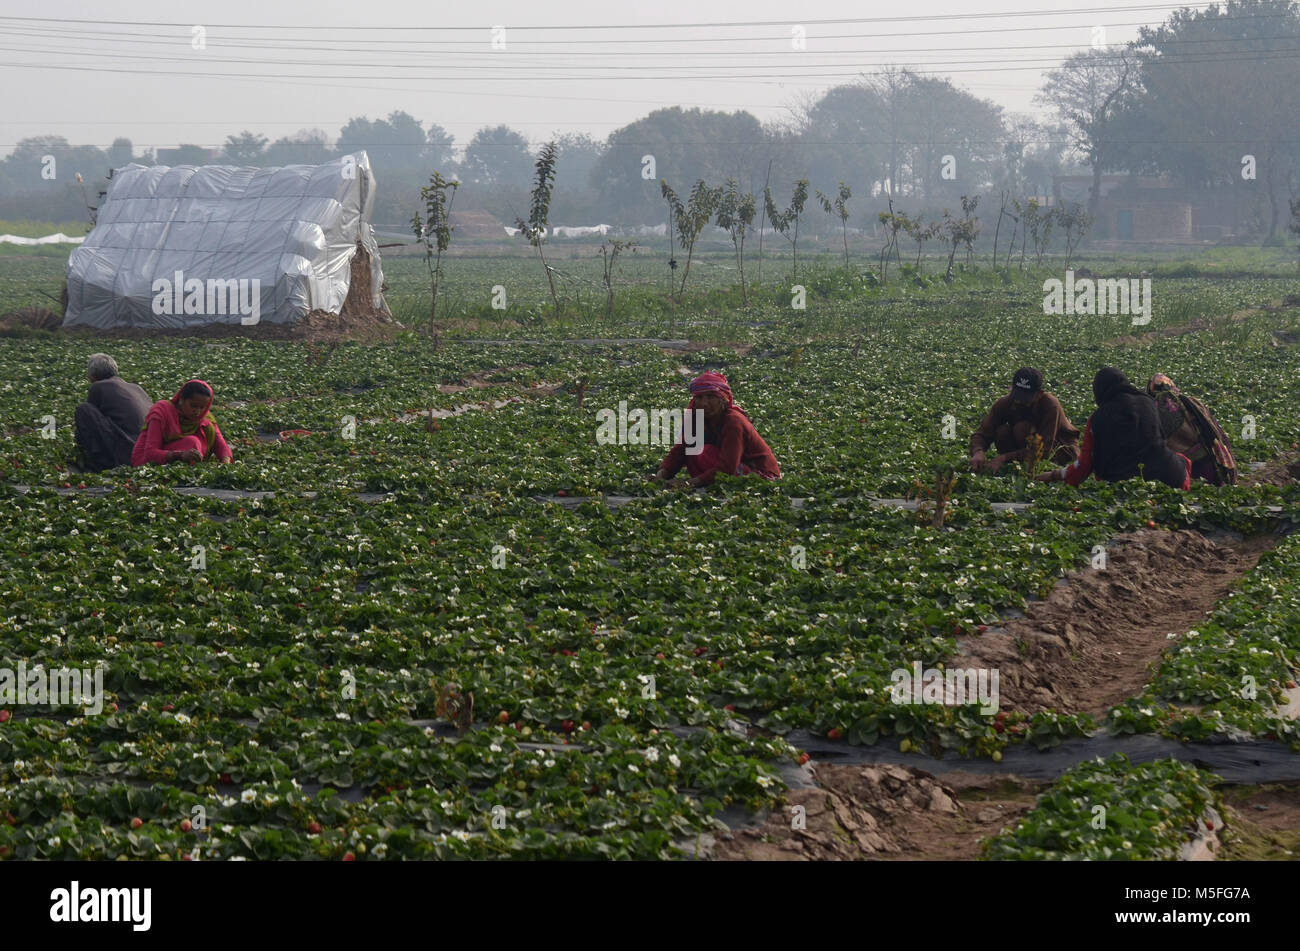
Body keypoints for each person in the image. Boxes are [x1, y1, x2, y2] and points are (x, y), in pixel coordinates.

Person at [1036, 366, 1190, 489]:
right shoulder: (1148, 403)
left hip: (1122, 487)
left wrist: (1055, 475)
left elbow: (1083, 466)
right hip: (1172, 478)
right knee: (1179, 460)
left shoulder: (1097, 419)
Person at [649, 371, 780, 487]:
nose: (704, 403)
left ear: (722, 399)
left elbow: (728, 467)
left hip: (761, 476)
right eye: (699, 398)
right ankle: (705, 482)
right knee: (692, 451)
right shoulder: (697, 419)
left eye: (711, 397)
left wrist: (689, 483)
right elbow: (680, 451)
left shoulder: (733, 421)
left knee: (705, 452)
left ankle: (703, 482)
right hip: (732, 471)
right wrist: (660, 476)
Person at [969, 367, 1079, 474]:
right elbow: (982, 433)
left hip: (1059, 449)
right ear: (1011, 389)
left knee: (1021, 428)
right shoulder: (1005, 403)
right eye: (1017, 396)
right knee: (1002, 431)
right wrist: (978, 451)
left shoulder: (1050, 405)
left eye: (1025, 399)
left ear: (1039, 394)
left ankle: (1023, 466)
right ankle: (1016, 464)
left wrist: (1003, 458)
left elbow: (1044, 448)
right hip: (1025, 447)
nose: (1019, 401)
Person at [1147, 373, 1237, 485]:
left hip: (1181, 472)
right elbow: (1213, 428)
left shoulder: (1152, 411)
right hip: (1209, 463)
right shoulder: (1191, 402)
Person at [73, 354, 153, 472]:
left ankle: (100, 463)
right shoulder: (137, 388)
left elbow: (90, 423)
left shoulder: (98, 387)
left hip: (127, 452)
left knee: (83, 410)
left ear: (93, 376)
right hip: (149, 450)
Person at [132, 379, 233, 467]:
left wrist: (225, 462)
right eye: (193, 406)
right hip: (147, 461)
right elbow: (150, 453)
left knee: (202, 435)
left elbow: (220, 444)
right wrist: (180, 455)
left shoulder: (205, 417)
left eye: (202, 407)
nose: (197, 412)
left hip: (181, 458)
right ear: (181, 399)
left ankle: (193, 464)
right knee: (192, 442)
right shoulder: (162, 411)